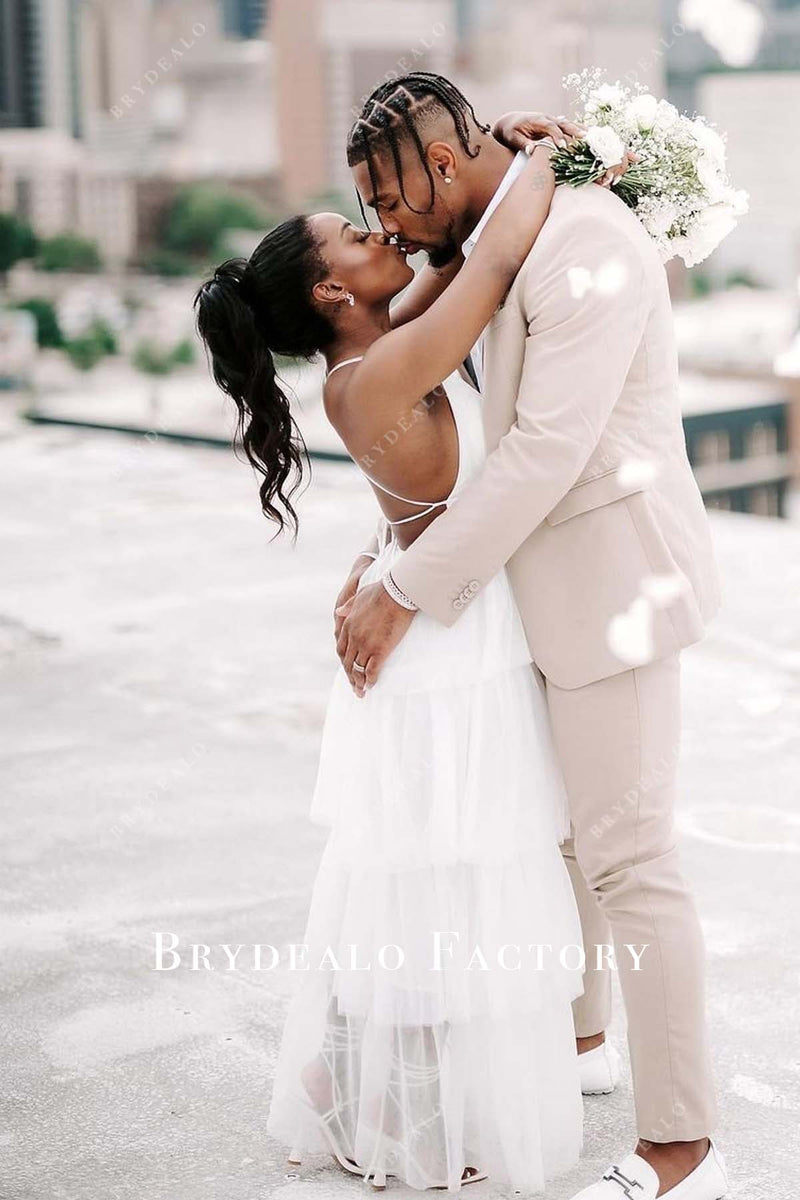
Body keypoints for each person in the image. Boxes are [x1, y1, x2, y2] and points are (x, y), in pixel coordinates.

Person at [195, 110, 617, 1193]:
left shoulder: (378, 343)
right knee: (439, 885)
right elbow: (499, 251)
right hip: (445, 655)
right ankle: (383, 1096)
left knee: (434, 878)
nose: (381, 227)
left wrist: (486, 145)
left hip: (451, 625)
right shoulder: (380, 369)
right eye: (353, 229)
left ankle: (357, 1077)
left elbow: (454, 252)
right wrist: (530, 155)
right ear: (332, 295)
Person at [335, 72, 728, 1200]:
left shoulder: (585, 244)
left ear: (446, 168)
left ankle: (681, 1146)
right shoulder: (502, 228)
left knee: (631, 861)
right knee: (567, 844)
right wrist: (379, 557)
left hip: (615, 590)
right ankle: (581, 1044)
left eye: (387, 198)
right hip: (536, 596)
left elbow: (540, 456)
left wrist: (404, 590)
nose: (382, 228)